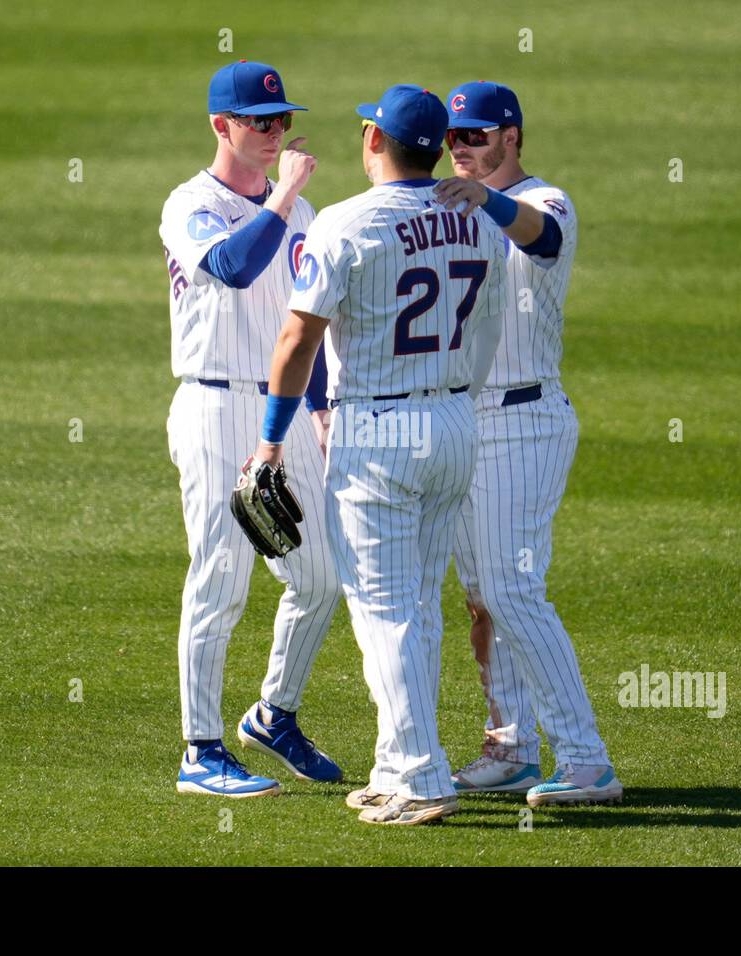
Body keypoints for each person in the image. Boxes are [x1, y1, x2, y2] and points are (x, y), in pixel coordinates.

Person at [245, 84, 506, 825]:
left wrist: (270, 438)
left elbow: (298, 339)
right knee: (419, 606)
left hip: (379, 432)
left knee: (386, 611)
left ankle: (421, 780)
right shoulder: (476, 217)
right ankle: (397, 763)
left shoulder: (346, 223)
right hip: (455, 421)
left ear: (372, 142)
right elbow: (485, 333)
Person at [433, 81, 623, 807]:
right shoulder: (452, 201)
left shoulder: (548, 200)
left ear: (513, 136)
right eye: (454, 137)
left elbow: (538, 239)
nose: (463, 148)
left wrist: (482, 199)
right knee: (482, 598)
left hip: (527, 419)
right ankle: (510, 745)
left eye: (476, 135)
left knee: (514, 589)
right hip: (463, 421)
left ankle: (586, 759)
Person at [159, 60, 342, 797]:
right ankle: (200, 751)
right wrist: (290, 191)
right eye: (260, 121)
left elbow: (305, 324)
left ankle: (273, 714)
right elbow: (234, 267)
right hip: (212, 405)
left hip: (281, 407)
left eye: (282, 121)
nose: (275, 133)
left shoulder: (298, 213)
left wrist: (323, 409)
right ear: (220, 125)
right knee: (221, 577)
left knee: (322, 576)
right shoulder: (189, 204)